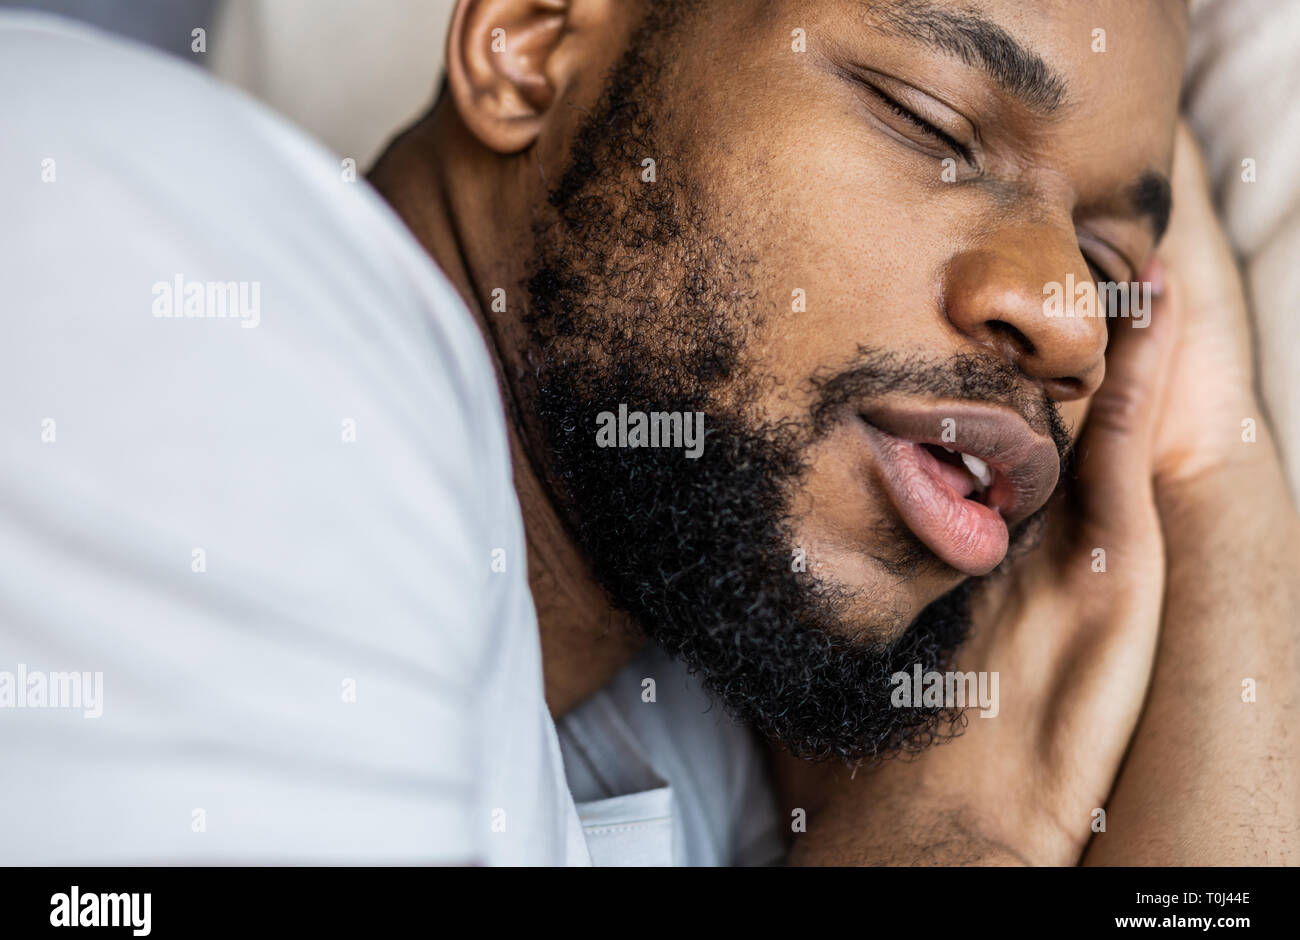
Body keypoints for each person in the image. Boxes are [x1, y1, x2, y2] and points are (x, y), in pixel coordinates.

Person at [1, 0, 1295, 866]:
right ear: (528, 38)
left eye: (1112, 259)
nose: (1074, 321)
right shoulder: (198, 302)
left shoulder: (690, 737)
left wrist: (1213, 472)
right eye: (931, 121)